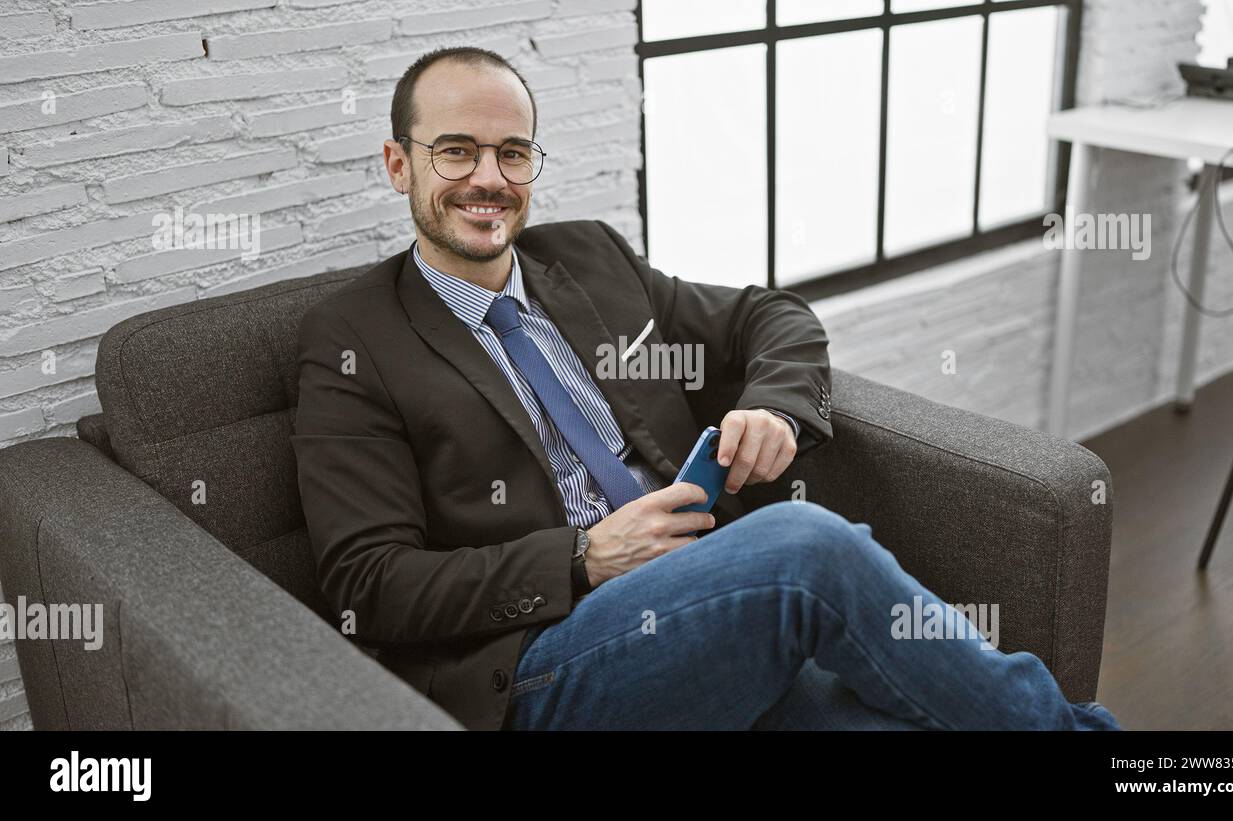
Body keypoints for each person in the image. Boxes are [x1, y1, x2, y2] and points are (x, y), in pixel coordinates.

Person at [291, 46, 1122, 731]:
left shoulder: (587, 259)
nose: (488, 177)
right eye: (455, 150)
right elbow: (371, 584)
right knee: (806, 545)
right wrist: (583, 558)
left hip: (703, 596)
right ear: (400, 164)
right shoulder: (352, 340)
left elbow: (773, 317)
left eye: (512, 152)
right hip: (540, 660)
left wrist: (772, 404)